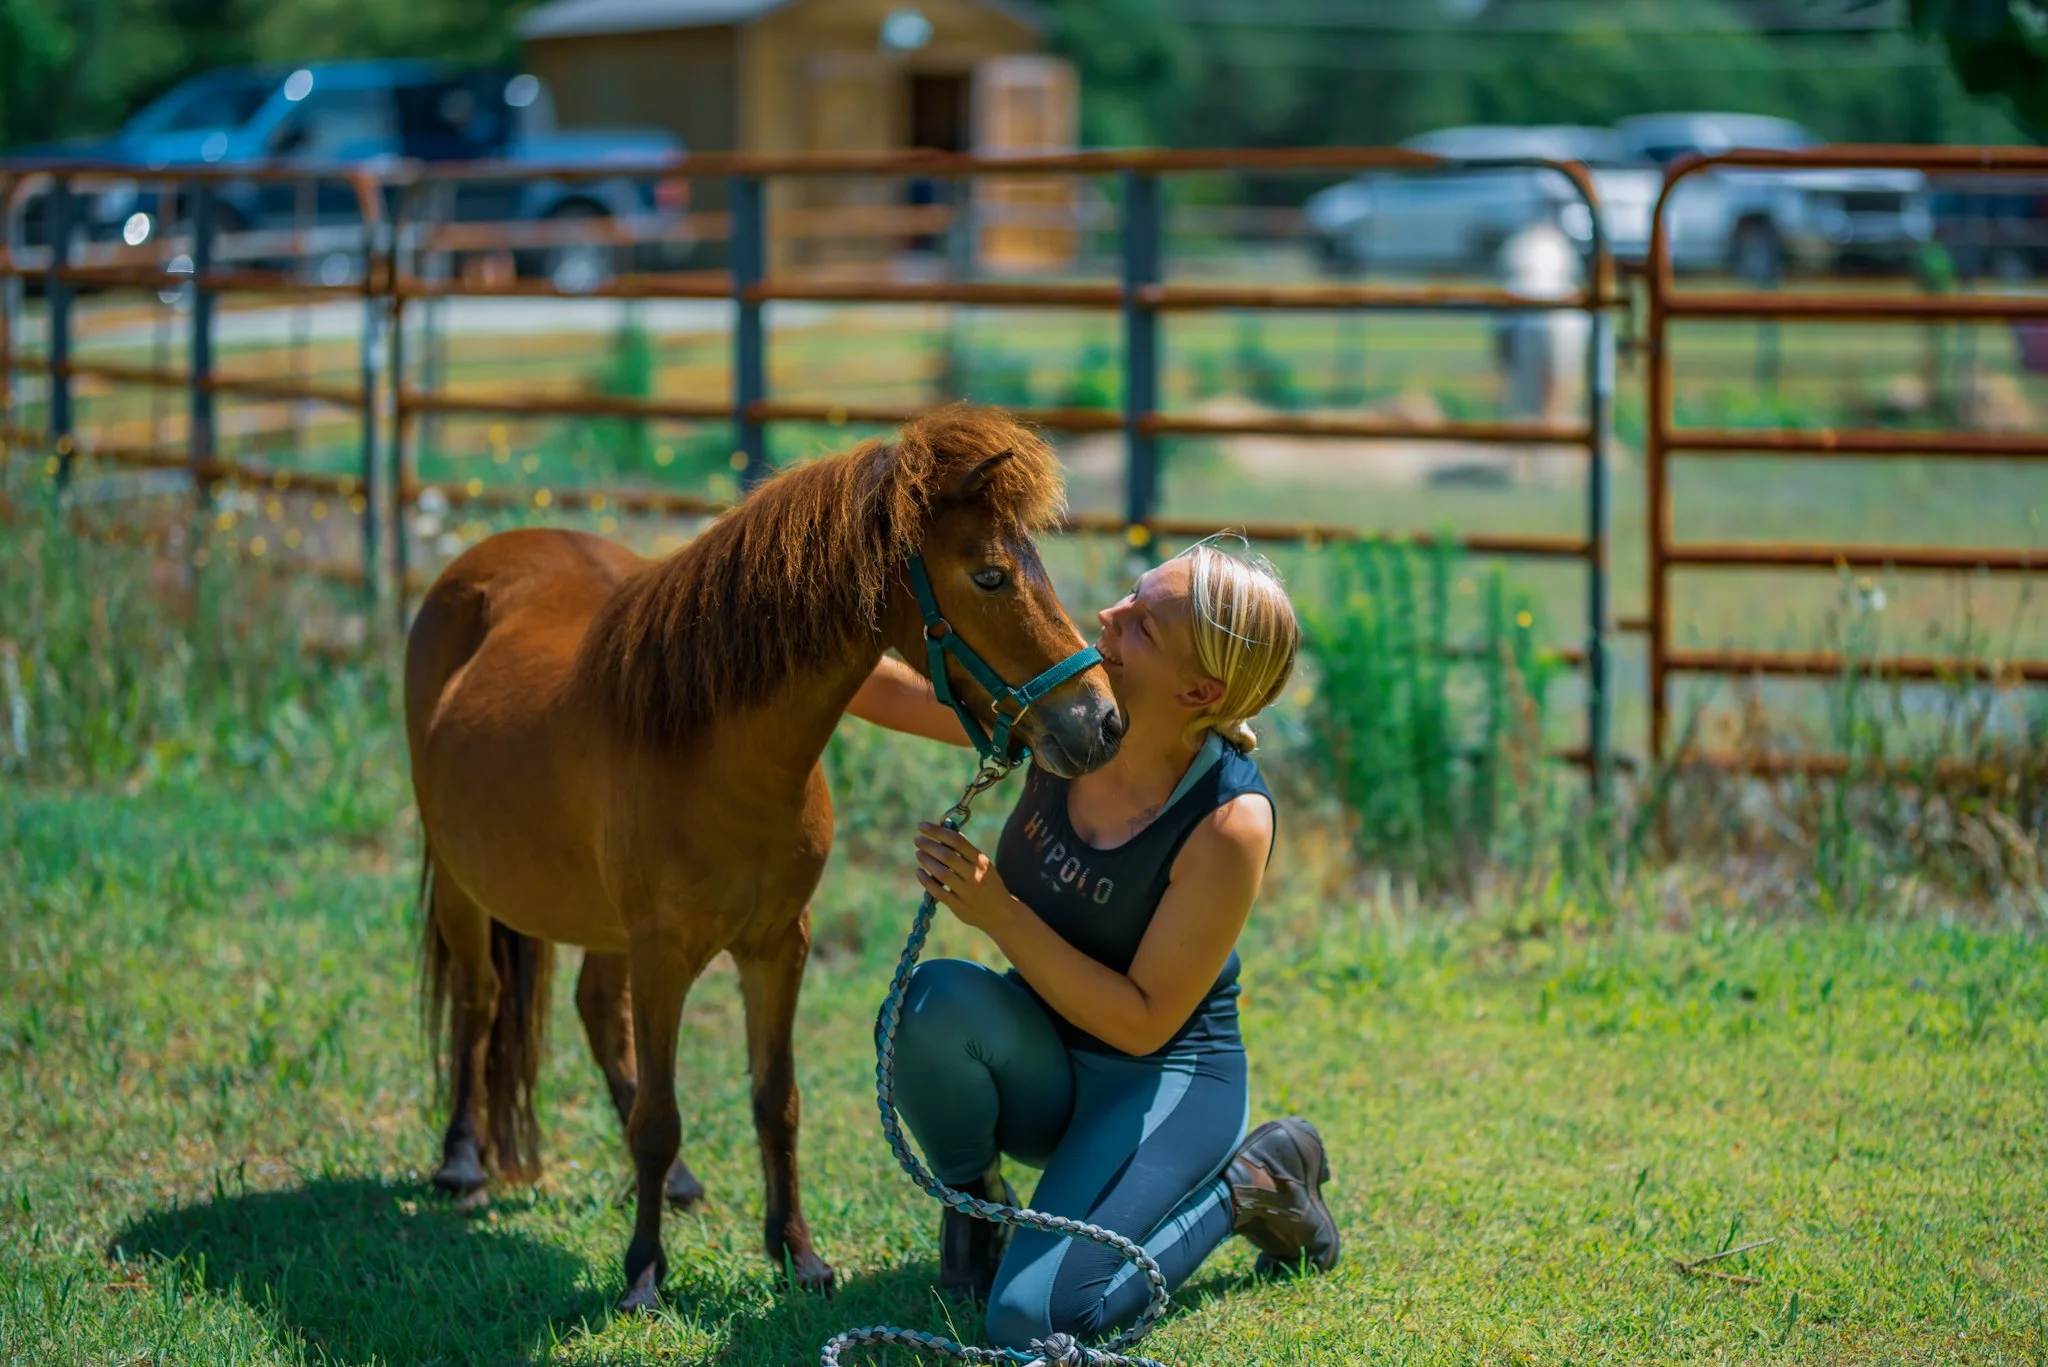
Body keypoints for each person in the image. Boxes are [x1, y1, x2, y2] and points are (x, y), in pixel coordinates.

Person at [845, 538, 1339, 1351]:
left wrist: (998, 912)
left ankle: (1253, 1182)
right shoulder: (1065, 717)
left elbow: (1144, 1021)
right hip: (1041, 1059)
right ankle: (975, 1211)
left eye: (1142, 622)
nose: (1107, 616)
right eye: (1128, 597)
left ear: (1198, 689)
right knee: (926, 1006)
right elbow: (891, 695)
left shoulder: (1228, 820)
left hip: (1156, 1082)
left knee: (1035, 1322)